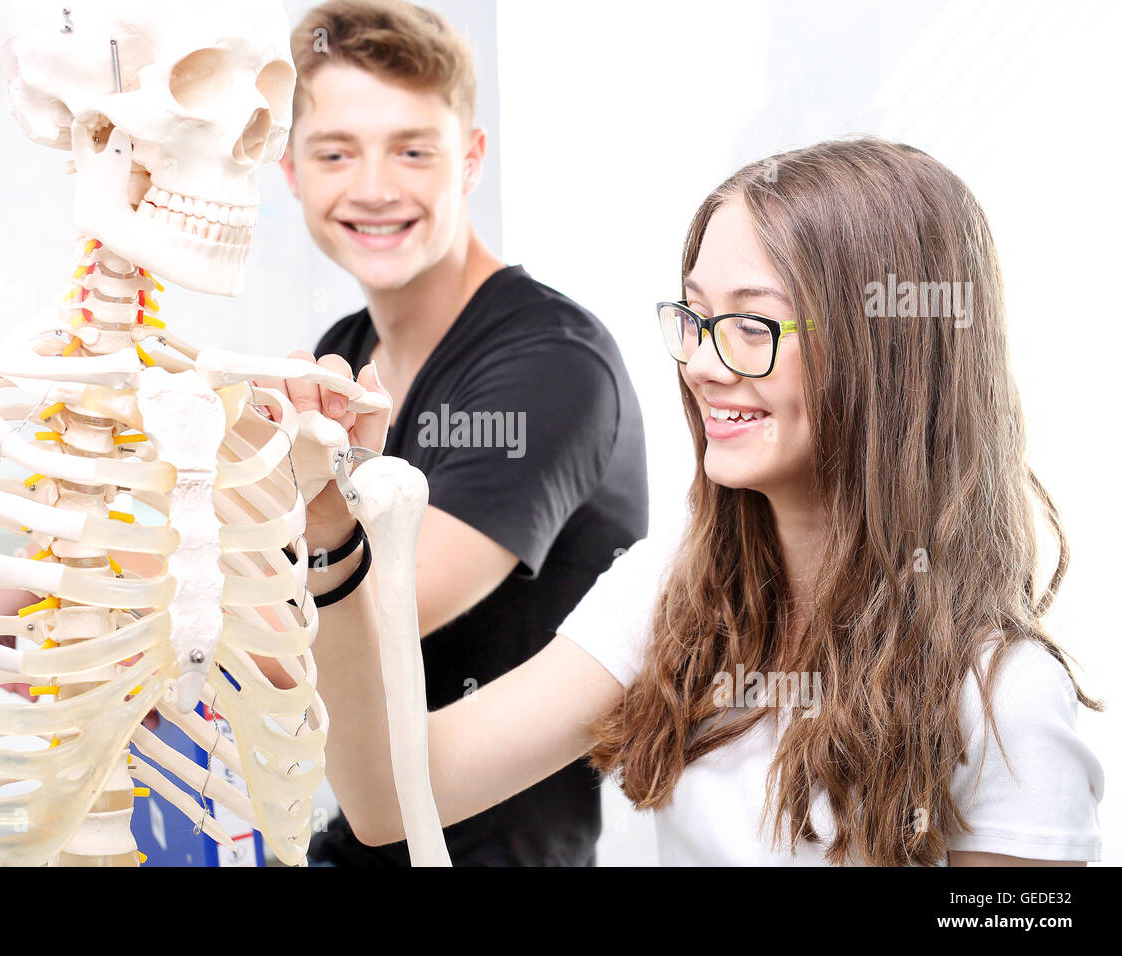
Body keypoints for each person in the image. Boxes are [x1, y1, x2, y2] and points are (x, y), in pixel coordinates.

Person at [287, 137, 1105, 866]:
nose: (703, 366)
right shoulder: (669, 593)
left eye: (752, 326)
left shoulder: (1006, 702)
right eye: (695, 316)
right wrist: (330, 531)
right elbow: (391, 799)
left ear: (888, 347)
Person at [276, 0, 648, 866]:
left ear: (471, 159)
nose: (373, 187)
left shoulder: (552, 366)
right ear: (291, 169)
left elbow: (362, 613)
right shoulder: (346, 354)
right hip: (366, 836)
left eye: (413, 149)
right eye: (335, 152)